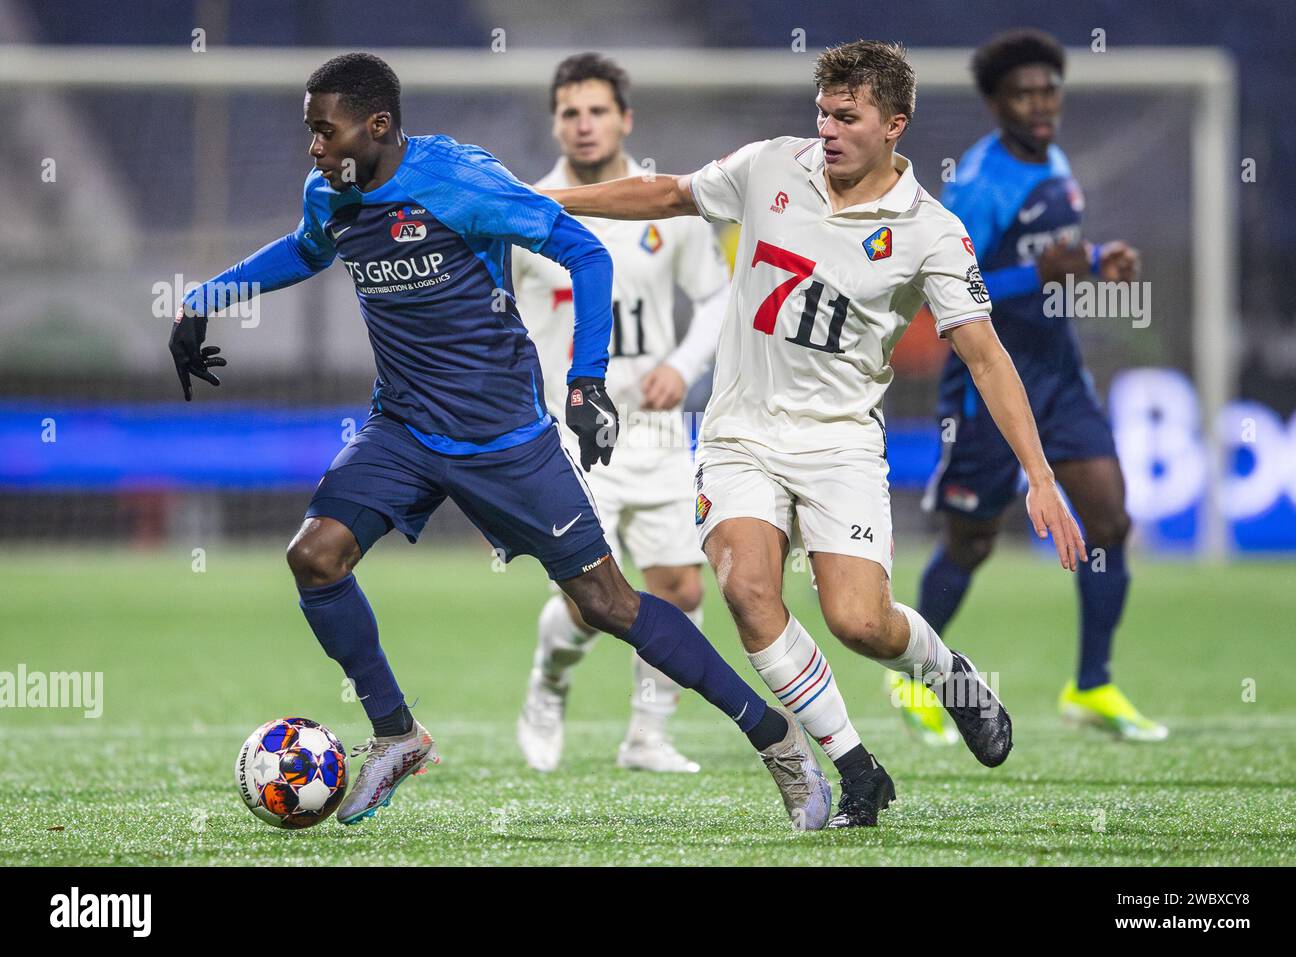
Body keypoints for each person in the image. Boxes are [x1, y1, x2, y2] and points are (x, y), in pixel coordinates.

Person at [168, 52, 833, 829]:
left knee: (608, 602)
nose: (313, 147)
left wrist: (587, 380)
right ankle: (397, 733)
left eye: (325, 130)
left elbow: (582, 251)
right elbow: (310, 248)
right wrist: (206, 296)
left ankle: (776, 738)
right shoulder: (331, 193)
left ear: (376, 126)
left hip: (504, 439)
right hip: (404, 428)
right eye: (309, 131)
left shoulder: (462, 181)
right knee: (314, 555)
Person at [542, 39, 1087, 827]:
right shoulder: (770, 167)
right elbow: (667, 193)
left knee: (859, 620)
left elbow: (988, 358)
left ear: (895, 124)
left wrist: (1038, 475)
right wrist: (552, 202)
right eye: (823, 111)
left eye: (849, 115)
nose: (828, 128)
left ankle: (949, 674)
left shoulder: (931, 231)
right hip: (740, 434)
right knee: (745, 586)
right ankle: (857, 767)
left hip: (840, 441)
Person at [910, 29, 1166, 743]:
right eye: (1023, 93)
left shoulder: (1052, 159)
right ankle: (914, 674)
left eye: (1048, 89)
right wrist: (1040, 275)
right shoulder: (978, 186)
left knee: (1111, 522)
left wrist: (1091, 256)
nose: (1040, 103)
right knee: (971, 542)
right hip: (986, 386)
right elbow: (947, 288)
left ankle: (1092, 684)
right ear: (996, 104)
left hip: (1056, 372)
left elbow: (1051, 254)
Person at [513, 53, 729, 774]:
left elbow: (718, 297)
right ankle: (549, 680)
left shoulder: (664, 205)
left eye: (598, 110)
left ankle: (647, 734)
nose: (584, 124)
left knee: (681, 586)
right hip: (569, 436)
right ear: (555, 121)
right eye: (571, 112)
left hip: (658, 430)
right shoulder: (523, 210)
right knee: (589, 599)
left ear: (625, 119)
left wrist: (682, 366)